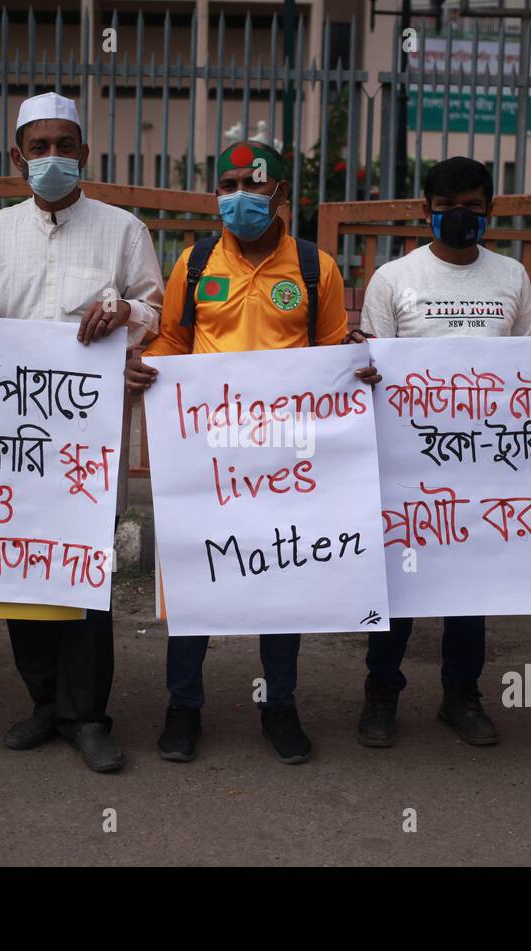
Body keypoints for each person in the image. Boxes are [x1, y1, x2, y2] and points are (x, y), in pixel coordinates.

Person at [126, 139, 380, 765]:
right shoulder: (196, 260)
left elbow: (328, 356)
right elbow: (173, 341)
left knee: (282, 578)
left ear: (281, 195)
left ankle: (280, 707)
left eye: (253, 184)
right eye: (230, 183)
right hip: (207, 453)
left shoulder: (316, 267)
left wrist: (355, 373)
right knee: (193, 579)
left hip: (284, 457)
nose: (239, 195)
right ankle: (183, 707)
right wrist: (147, 370)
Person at [0, 92, 165, 774]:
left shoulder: (123, 230)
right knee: (24, 567)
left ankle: (88, 715)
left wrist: (120, 308)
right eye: (37, 147)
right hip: (11, 437)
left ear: (84, 154)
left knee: (84, 574)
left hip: (87, 441)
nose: (51, 158)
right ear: (18, 158)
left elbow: (154, 312)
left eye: (63, 146)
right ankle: (43, 702)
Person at [355, 156, 531, 749]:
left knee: (469, 590)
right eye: (446, 207)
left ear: (491, 210)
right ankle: (381, 692)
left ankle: (461, 696)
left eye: (473, 207)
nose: (460, 217)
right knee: (399, 590)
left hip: (485, 471)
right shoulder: (393, 280)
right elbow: (375, 365)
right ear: (424, 210)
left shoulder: (510, 277)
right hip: (407, 465)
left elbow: (526, 363)